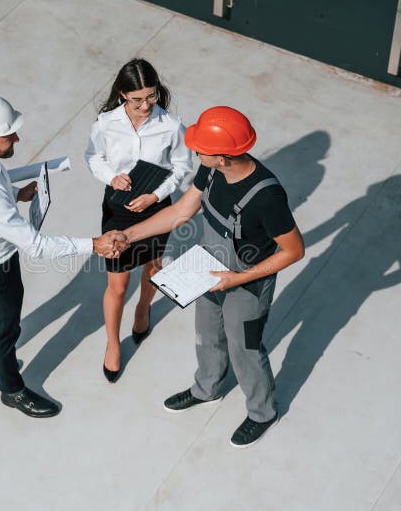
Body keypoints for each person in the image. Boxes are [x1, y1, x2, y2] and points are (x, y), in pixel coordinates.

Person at [119, 106, 305, 447]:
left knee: (244, 348)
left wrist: (236, 279)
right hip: (207, 268)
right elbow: (181, 210)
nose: (194, 153)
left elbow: (294, 250)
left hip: (246, 282)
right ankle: (207, 389)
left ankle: (263, 412)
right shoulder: (213, 172)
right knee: (207, 334)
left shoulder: (267, 196)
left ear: (222, 156)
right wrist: (128, 235)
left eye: (200, 149)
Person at [0, 93, 126, 418]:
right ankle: (11, 390)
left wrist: (15, 193)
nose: (16, 137)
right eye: (8, 135)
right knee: (3, 330)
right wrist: (95, 244)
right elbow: (39, 246)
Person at [84, 58, 192, 382]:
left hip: (156, 206)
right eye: (137, 99)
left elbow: (182, 166)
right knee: (117, 283)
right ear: (122, 94)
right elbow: (92, 157)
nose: (145, 105)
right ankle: (113, 344)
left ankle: (144, 307)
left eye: (151, 96)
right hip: (118, 208)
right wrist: (111, 177)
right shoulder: (106, 123)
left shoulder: (171, 125)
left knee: (153, 266)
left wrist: (156, 196)